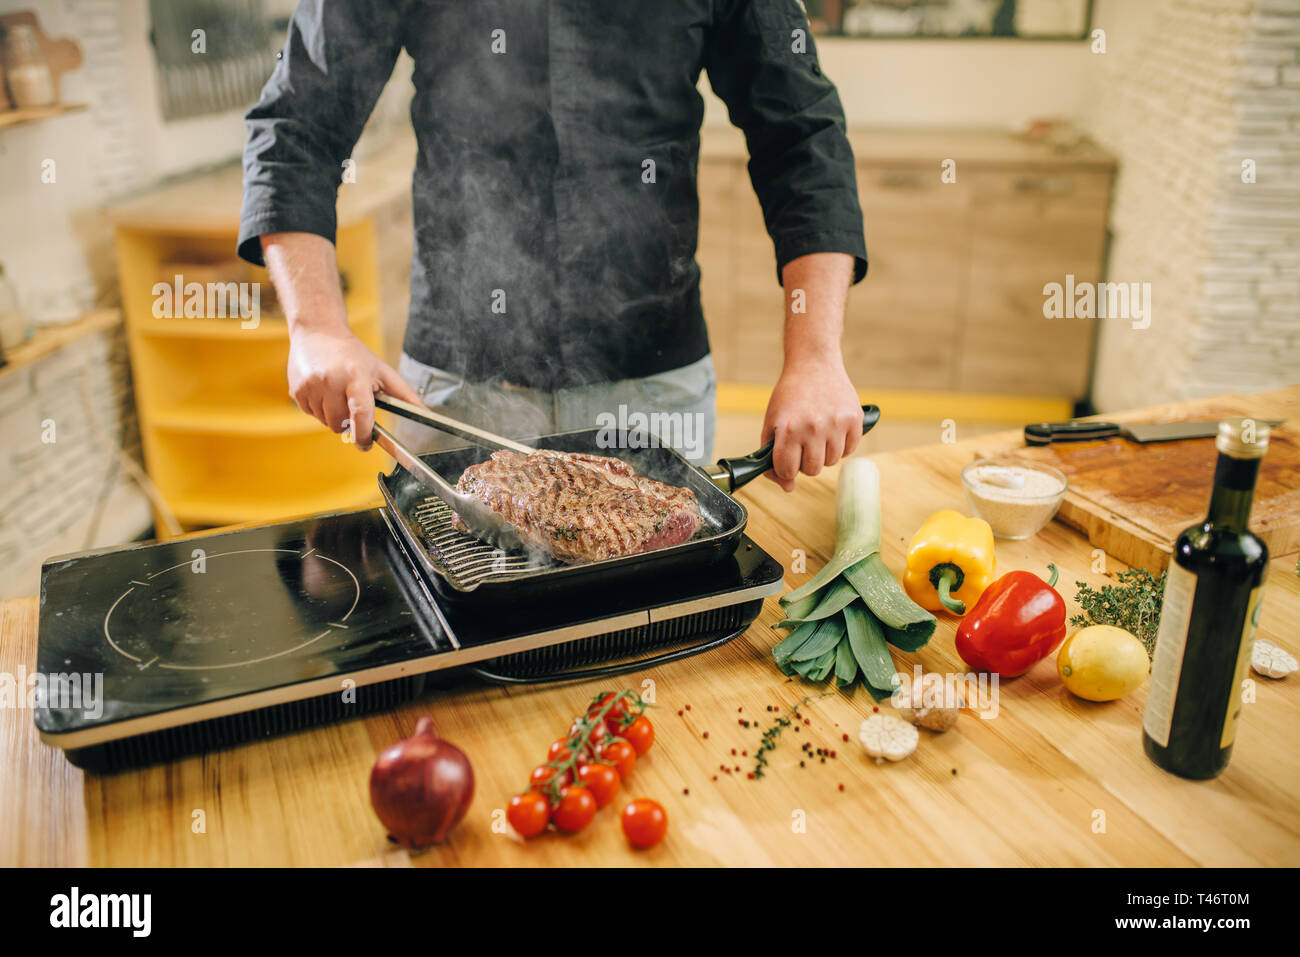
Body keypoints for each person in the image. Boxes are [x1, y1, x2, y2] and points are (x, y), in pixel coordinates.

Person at [239, 1, 867, 489]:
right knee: (465, 639)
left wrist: (814, 356)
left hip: (651, 379)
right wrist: (316, 327)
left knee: (653, 633)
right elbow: (298, 125)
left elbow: (801, 137)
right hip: (459, 391)